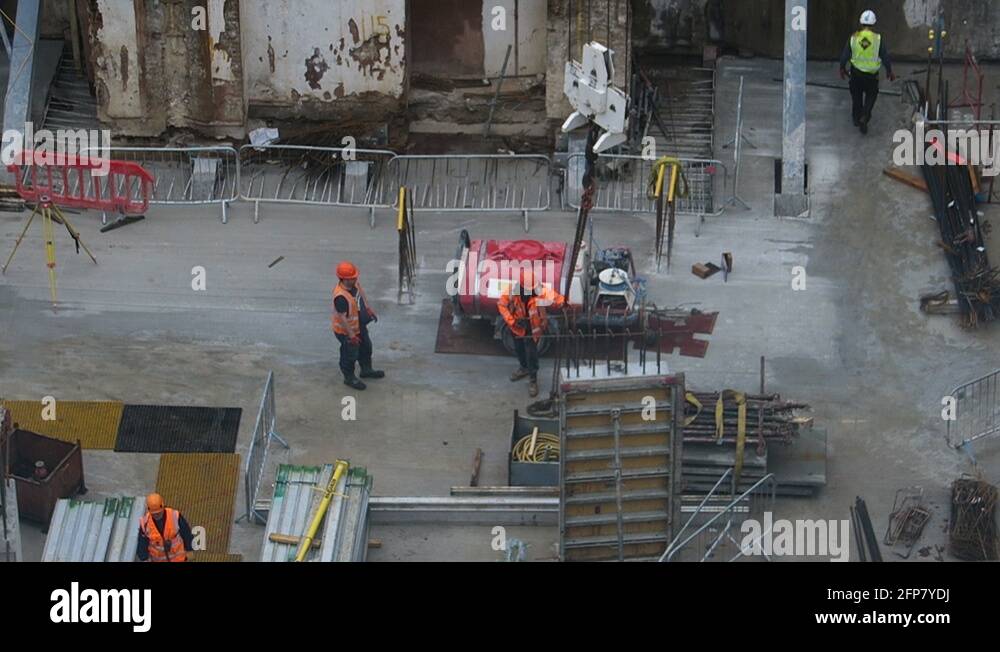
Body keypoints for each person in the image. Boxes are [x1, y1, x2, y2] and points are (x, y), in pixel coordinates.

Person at [498, 269, 566, 398]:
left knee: (531, 353)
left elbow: (552, 295)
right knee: (519, 349)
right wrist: (512, 322)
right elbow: (501, 305)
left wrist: (564, 302)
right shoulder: (512, 291)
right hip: (517, 325)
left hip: (532, 326)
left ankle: (533, 379)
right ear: (523, 287)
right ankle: (523, 368)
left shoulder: (536, 289)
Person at [839, 10, 896, 134]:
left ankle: (856, 118)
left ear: (861, 23)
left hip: (856, 74)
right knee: (871, 95)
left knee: (856, 96)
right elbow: (885, 56)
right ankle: (865, 115)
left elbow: (845, 55)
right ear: (873, 23)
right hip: (871, 75)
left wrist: (842, 68)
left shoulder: (854, 38)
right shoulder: (877, 39)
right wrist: (889, 71)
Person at [332, 261, 384, 390]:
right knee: (350, 354)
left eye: (355, 276)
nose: (355, 279)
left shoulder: (354, 284)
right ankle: (349, 378)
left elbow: (361, 296)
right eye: (352, 278)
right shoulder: (340, 297)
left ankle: (366, 370)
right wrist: (352, 336)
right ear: (343, 279)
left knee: (366, 346)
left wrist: (368, 309)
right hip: (346, 331)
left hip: (358, 325)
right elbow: (342, 318)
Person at [136, 493, 193, 562]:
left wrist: (189, 549)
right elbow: (142, 543)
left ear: (163, 507)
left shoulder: (174, 515)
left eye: (158, 513)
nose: (156, 515)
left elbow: (186, 532)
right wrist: (144, 558)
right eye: (154, 514)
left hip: (178, 558)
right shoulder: (145, 523)